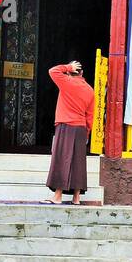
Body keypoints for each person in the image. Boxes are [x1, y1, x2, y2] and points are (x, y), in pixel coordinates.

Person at [45, 60, 94, 205]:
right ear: (82, 73)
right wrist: (87, 132)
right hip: (81, 128)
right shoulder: (89, 90)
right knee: (78, 162)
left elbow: (52, 71)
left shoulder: (66, 82)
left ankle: (58, 196)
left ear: (69, 72)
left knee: (62, 158)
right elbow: (90, 115)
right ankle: (76, 198)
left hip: (65, 125)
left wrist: (67, 67)